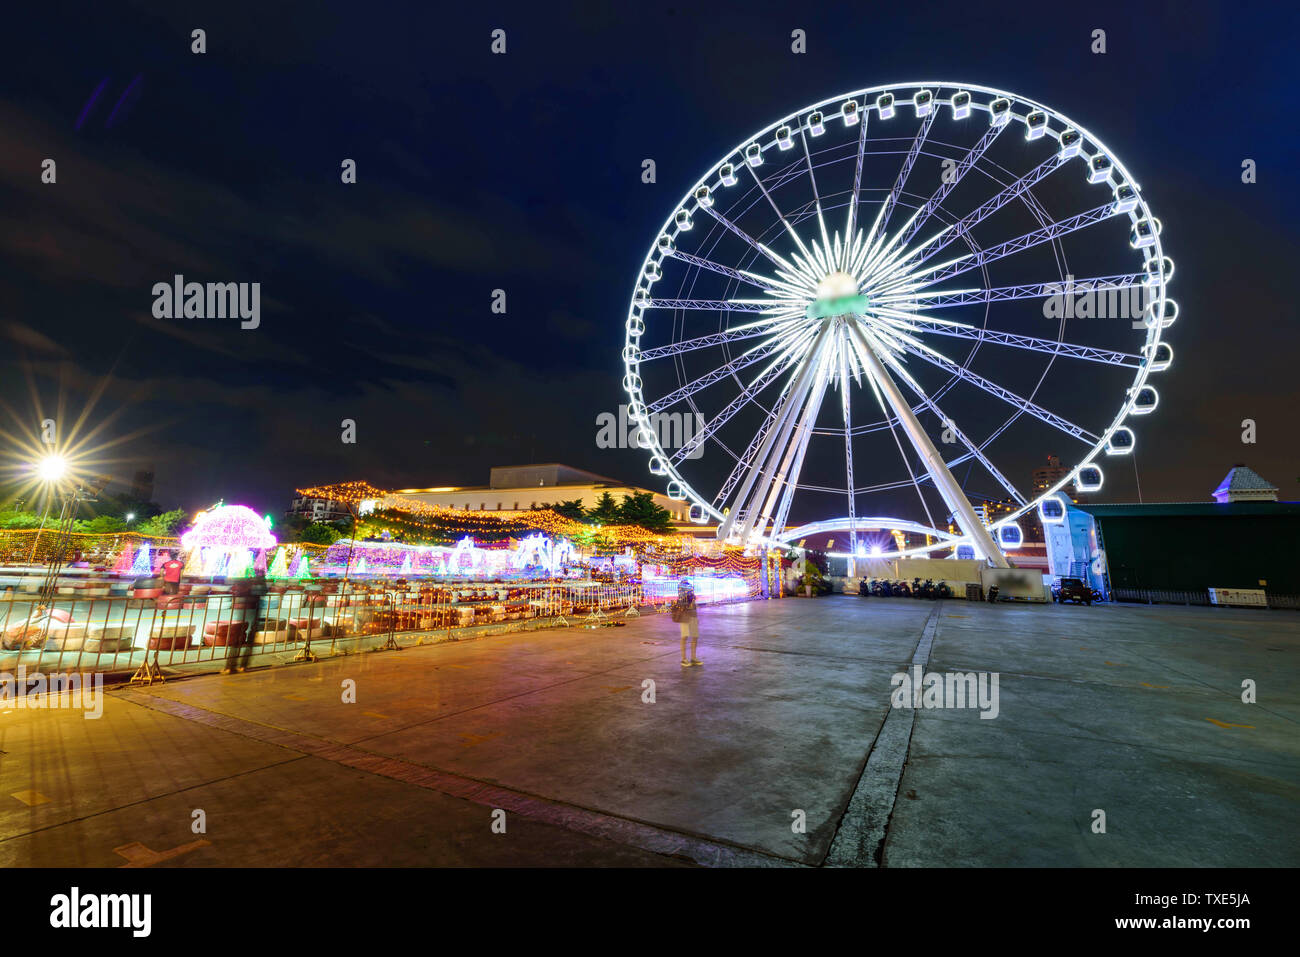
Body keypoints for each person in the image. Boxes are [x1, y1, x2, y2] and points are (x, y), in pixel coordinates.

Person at [673, 578, 701, 666]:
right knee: (685, 636)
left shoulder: (691, 596)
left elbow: (694, 605)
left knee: (695, 636)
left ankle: (693, 657)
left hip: (692, 615)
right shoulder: (682, 598)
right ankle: (684, 659)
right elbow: (682, 605)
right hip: (685, 616)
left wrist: (696, 616)